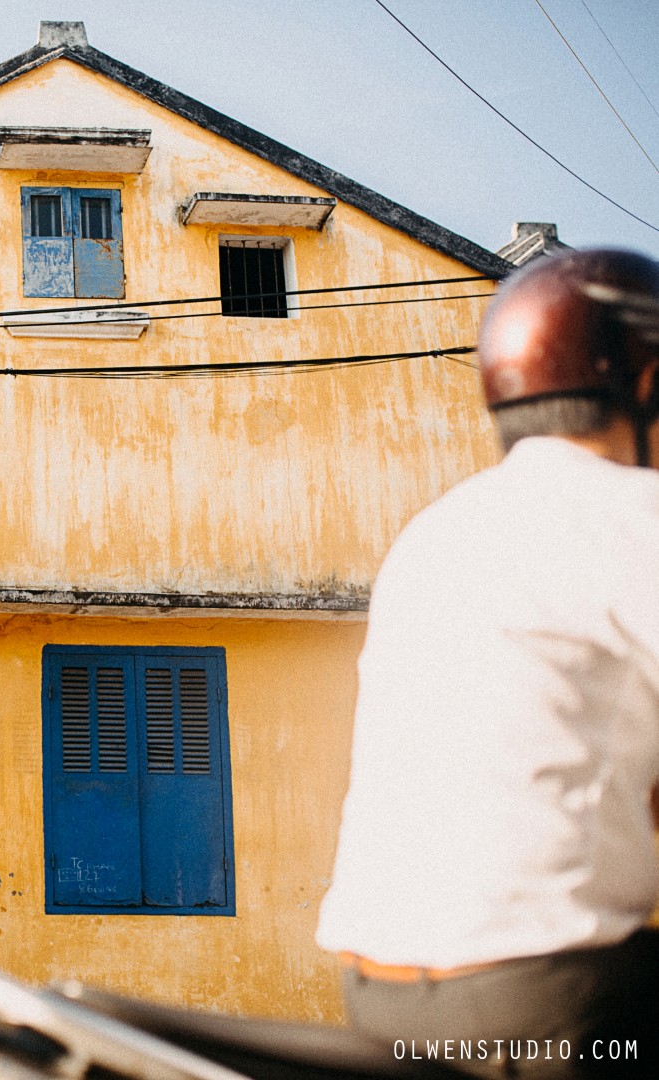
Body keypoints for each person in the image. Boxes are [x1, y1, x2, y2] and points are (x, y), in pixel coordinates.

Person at [315, 248, 659, 1078]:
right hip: (543, 996)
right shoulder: (637, 513)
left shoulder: (436, 531)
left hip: (381, 995)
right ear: (649, 385)